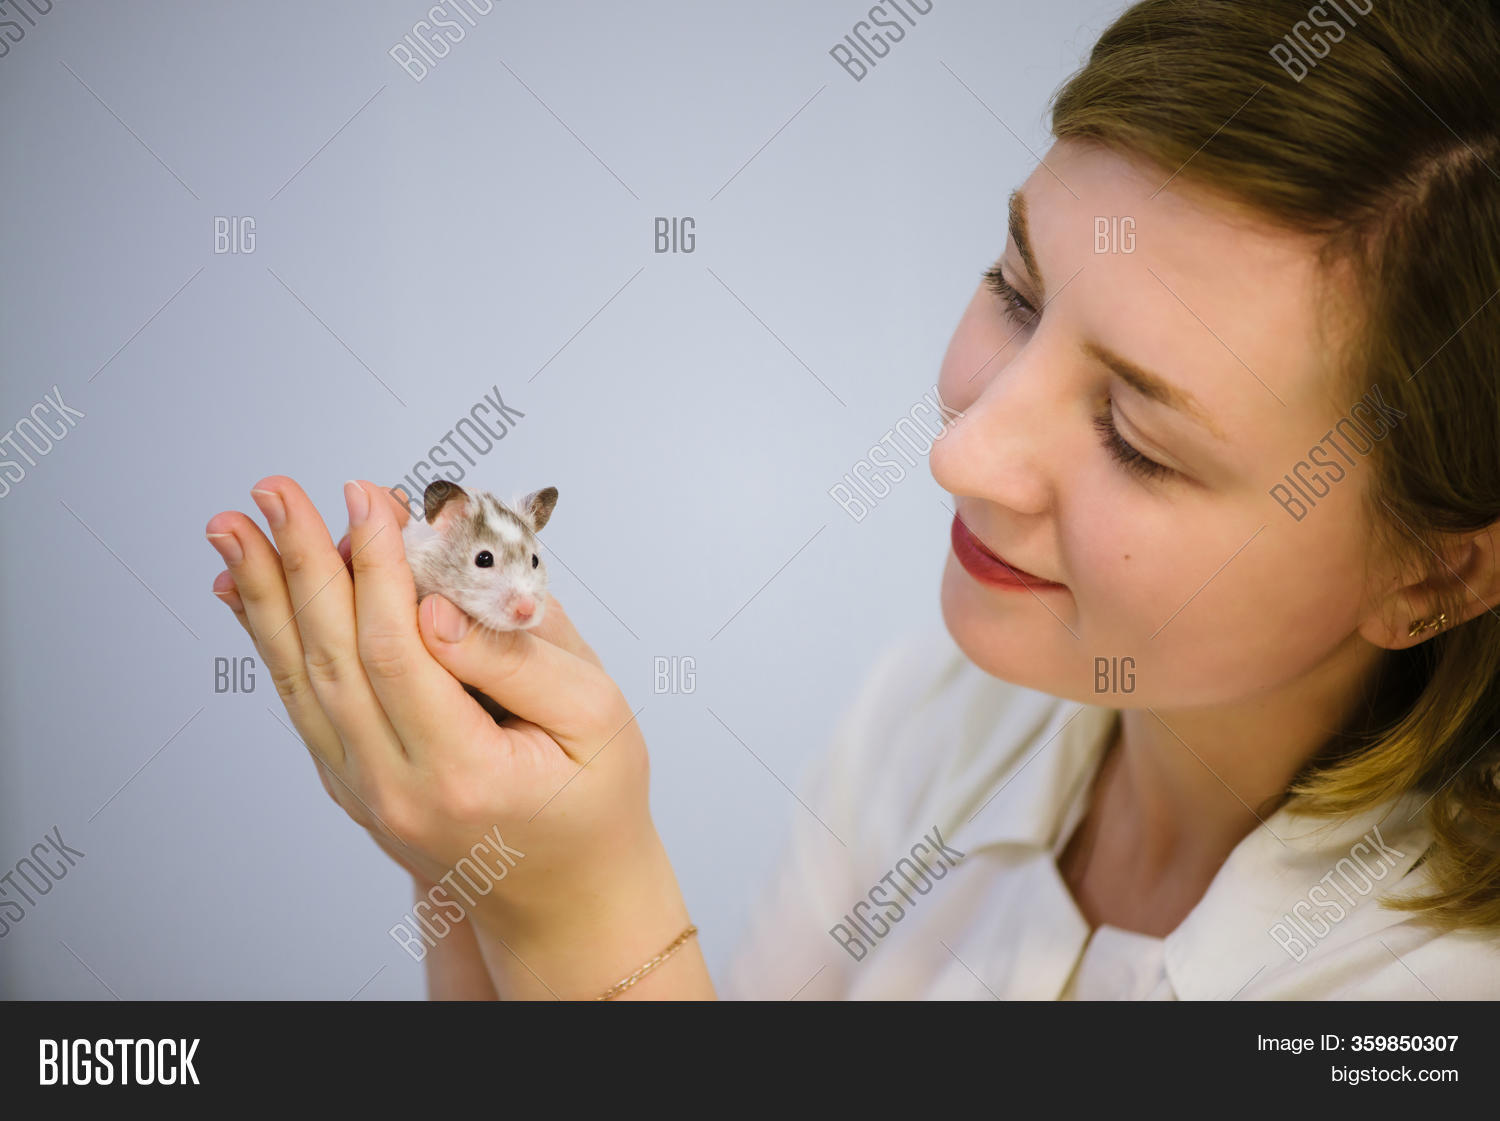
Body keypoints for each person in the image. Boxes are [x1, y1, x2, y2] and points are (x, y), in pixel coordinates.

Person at [204, 0, 1500, 998]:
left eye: (1138, 437)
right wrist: (477, 872)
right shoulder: (935, 716)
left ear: (1433, 572)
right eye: (1015, 290)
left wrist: (584, 910)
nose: (962, 452)